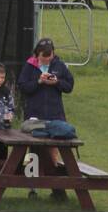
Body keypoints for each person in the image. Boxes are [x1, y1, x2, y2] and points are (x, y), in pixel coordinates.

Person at [17, 38, 74, 197]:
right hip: (35, 117)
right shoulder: (29, 66)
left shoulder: (59, 65)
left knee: (53, 151)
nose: (47, 60)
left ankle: (57, 190)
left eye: (50, 57)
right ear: (37, 55)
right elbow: (23, 86)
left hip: (55, 116)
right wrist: (38, 81)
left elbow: (69, 86)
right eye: (44, 58)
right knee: (34, 152)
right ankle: (32, 188)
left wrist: (57, 82)